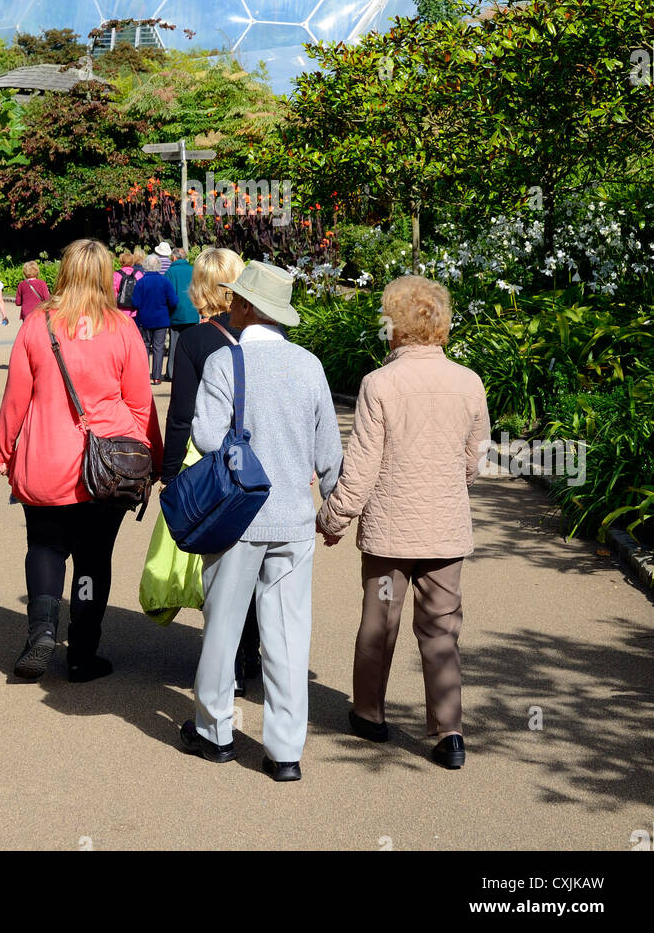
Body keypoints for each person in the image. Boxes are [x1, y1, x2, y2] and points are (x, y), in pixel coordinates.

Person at [316, 275, 490, 771]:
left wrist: (334, 517)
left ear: (394, 324)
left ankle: (370, 715)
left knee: (380, 622)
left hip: (391, 532)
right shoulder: (469, 381)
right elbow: (474, 459)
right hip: (445, 531)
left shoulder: (379, 384)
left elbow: (363, 467)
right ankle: (449, 733)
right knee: (441, 631)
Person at [181, 260, 343, 782]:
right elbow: (328, 453)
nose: (229, 304)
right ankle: (285, 752)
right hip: (293, 520)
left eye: (236, 298)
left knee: (223, 629)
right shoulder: (311, 365)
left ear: (250, 308)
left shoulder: (227, 364)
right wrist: (333, 509)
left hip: (237, 517)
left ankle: (215, 732)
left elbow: (206, 438)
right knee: (288, 636)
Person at [0, 238, 163, 683]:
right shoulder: (123, 329)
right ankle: (81, 655)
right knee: (92, 559)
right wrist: (155, 458)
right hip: (106, 466)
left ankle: (42, 630)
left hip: (45, 457)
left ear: (64, 271)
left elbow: (16, 397)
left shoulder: (37, 324)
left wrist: (4, 451)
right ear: (107, 275)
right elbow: (141, 404)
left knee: (45, 547)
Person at [161, 247, 259, 694]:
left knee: (220, 560)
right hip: (260, 463)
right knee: (259, 560)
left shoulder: (195, 342)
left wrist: (168, 471)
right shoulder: (261, 336)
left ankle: (226, 660)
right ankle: (251, 652)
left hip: (215, 468)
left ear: (199, 286)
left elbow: (181, 414)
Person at [131, 255, 177, 385]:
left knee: (145, 347)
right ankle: (156, 377)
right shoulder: (164, 282)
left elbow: (135, 302)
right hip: (161, 320)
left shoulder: (140, 283)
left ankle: (144, 375)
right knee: (158, 348)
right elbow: (173, 301)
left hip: (144, 319)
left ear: (145, 265)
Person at [163, 247, 199, 381]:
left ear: (174, 258)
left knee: (174, 345)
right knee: (192, 345)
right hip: (192, 312)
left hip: (176, 313)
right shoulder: (193, 270)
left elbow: (168, 294)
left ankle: (172, 373)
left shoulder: (170, 272)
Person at [113, 249, 144, 318]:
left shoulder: (116, 274)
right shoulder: (138, 274)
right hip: (134, 311)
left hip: (120, 310)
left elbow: (113, 293)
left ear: (121, 262)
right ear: (132, 262)